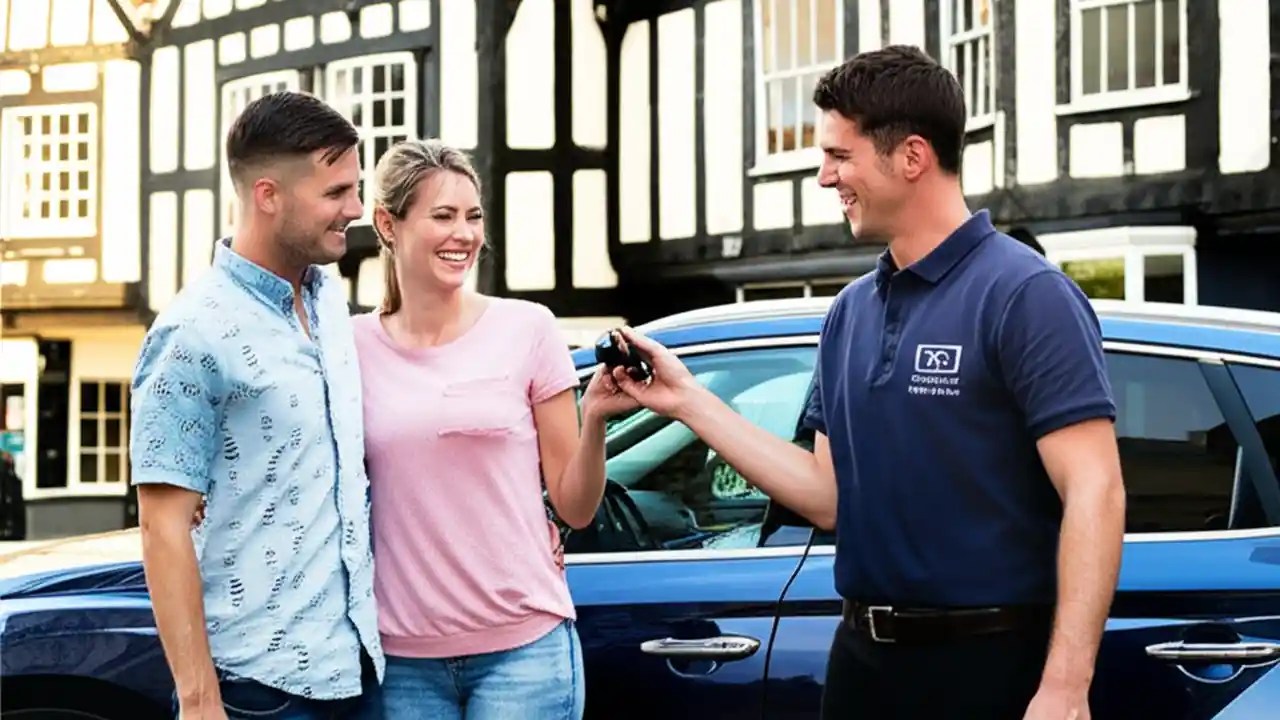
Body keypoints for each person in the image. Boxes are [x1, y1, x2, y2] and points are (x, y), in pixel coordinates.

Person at [602, 45, 1126, 720]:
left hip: (992, 667)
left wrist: (1065, 685)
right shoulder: (849, 312)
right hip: (863, 667)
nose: (824, 178)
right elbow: (827, 499)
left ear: (911, 156)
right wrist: (686, 401)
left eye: (839, 156)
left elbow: (1096, 489)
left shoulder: (1025, 294)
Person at [347, 138, 633, 719]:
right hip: (400, 664)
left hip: (523, 654)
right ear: (388, 223)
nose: (465, 235)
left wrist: (597, 419)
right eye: (443, 216)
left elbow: (575, 508)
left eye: (473, 216)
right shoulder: (350, 347)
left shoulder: (529, 328)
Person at [130, 91, 383, 719]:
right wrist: (199, 701)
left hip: (359, 673)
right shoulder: (193, 331)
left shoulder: (328, 301)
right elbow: (163, 526)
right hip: (257, 693)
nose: (355, 210)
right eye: (336, 194)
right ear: (268, 195)